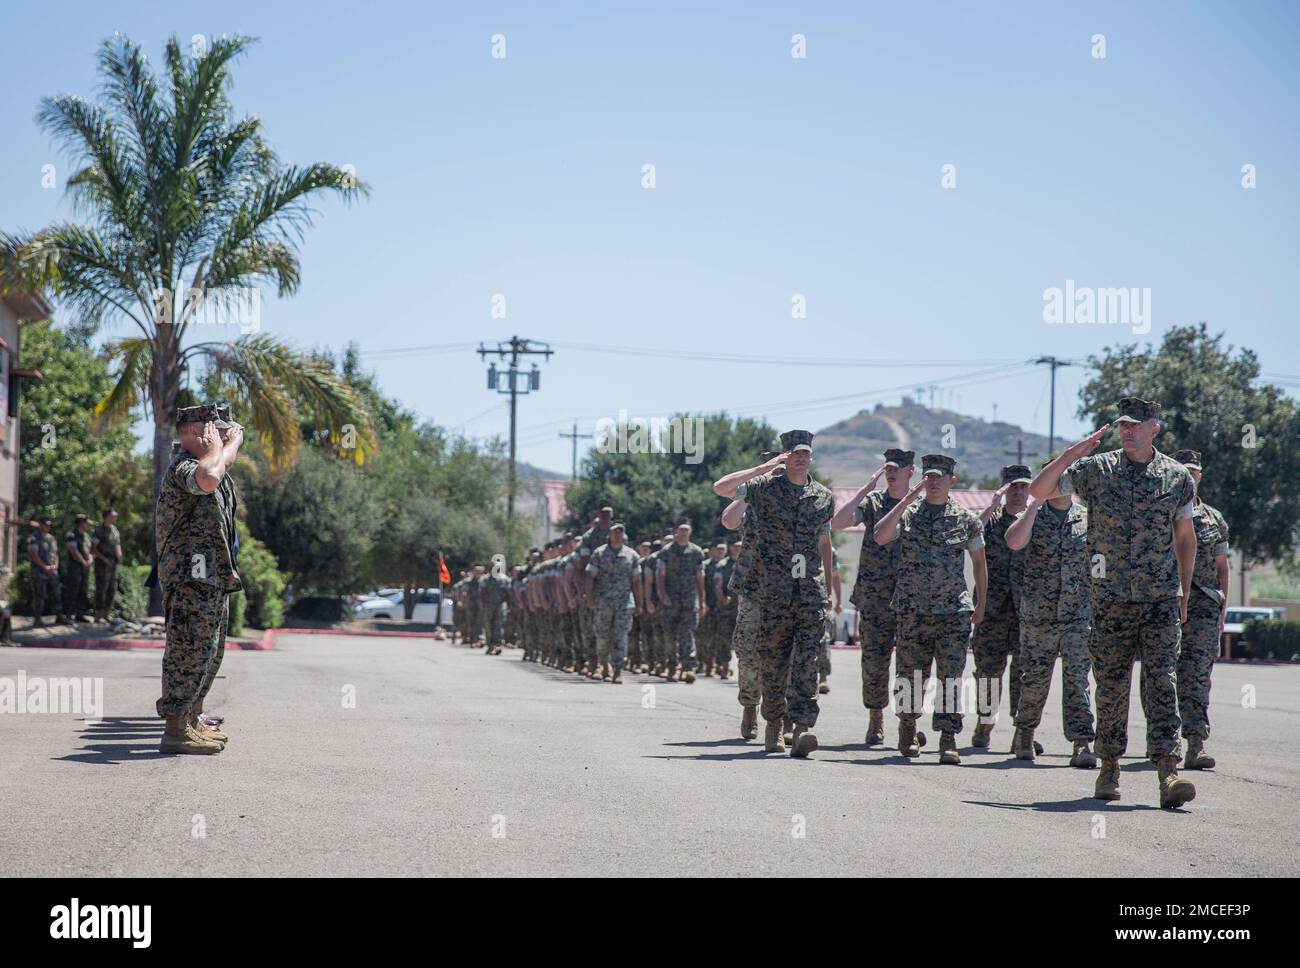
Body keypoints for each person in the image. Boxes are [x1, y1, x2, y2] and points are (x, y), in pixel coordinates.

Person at [1028, 398, 1198, 808]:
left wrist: (1185, 591)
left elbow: (1185, 536)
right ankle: (1109, 767)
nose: (1128, 431)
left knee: (1162, 684)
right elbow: (1038, 490)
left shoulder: (1176, 477)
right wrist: (1074, 452)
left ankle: (1167, 770)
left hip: (1159, 599)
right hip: (1109, 602)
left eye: (1136, 425)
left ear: (1154, 428)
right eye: (1123, 425)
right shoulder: (1096, 470)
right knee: (1111, 688)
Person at [713, 431, 834, 758]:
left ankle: (800, 728)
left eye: (804, 453)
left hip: (808, 591)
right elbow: (725, 502)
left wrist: (830, 589)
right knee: (761, 656)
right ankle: (761, 714)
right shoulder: (763, 490)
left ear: (811, 457)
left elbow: (825, 544)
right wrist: (763, 470)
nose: (797, 459)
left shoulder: (822, 497)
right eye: (791, 453)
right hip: (763, 587)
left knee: (806, 660)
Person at [873, 454, 987, 765]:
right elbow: (880, 535)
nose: (934, 481)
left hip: (952, 612)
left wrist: (982, 602)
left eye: (940, 476)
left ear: (952, 479)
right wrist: (906, 500)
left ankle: (948, 738)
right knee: (910, 675)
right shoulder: (908, 515)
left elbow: (979, 563)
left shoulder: (966, 518)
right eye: (929, 476)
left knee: (951, 676)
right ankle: (908, 727)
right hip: (913, 611)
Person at [152, 403, 244, 755]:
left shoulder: (207, 463)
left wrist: (224, 449)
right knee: (187, 651)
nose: (225, 436)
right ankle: (176, 728)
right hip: (190, 579)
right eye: (217, 431)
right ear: (194, 433)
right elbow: (209, 477)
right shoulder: (184, 468)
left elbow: (218, 471)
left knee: (207, 651)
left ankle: (189, 719)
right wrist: (227, 447)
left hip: (208, 577)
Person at [1004, 462, 1097, 766]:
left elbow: (1101, 563)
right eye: (1055, 479)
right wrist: (1035, 504)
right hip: (1038, 616)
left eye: (1066, 478)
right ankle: (1025, 733)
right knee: (1034, 679)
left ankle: (1082, 742)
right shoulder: (1030, 517)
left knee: (1078, 681)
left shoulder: (1088, 518)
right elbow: (1014, 542)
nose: (1062, 483)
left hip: (1078, 615)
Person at [831, 449, 924, 749]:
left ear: (911, 472)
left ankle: (907, 726)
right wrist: (864, 489)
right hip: (874, 598)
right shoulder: (872, 503)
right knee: (874, 662)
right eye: (887, 469)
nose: (891, 473)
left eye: (897, 469)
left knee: (909, 665)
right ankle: (876, 719)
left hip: (911, 599)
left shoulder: (922, 507)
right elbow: (839, 522)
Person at [1174, 449, 1230, 771]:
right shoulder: (1162, 513)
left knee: (1197, 675)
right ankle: (1162, 743)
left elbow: (1223, 567)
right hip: (1168, 602)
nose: (1190, 476)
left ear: (1200, 476)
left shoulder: (1214, 518)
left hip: (1204, 606)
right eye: (1184, 471)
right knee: (1163, 675)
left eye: (1194, 472)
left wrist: (1223, 607)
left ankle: (1195, 744)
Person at [970, 465, 1030, 750]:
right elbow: (967, 536)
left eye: (1023, 486)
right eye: (1012, 486)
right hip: (991, 608)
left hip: (1026, 609)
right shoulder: (990, 522)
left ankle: (1022, 731)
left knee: (1025, 672)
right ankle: (984, 723)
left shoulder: (1034, 520)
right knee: (987, 671)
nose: (1018, 491)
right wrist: (992, 504)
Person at [586, 523, 643, 683]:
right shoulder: (599, 553)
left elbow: (637, 581)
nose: (617, 535)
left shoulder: (632, 555)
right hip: (603, 601)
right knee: (602, 636)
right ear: (609, 534)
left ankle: (618, 669)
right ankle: (603, 665)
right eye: (614, 532)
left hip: (624, 602)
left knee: (621, 636)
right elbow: (591, 577)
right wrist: (589, 598)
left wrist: (639, 603)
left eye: (620, 533)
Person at [28, 517, 69, 627]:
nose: (48, 527)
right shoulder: (35, 538)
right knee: (39, 595)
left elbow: (55, 554)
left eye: (49, 525)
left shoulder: (51, 538)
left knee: (56, 594)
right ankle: (37, 619)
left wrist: (55, 566)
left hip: (52, 571)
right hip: (39, 572)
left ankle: (59, 616)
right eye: (46, 525)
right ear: (40, 525)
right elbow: (34, 555)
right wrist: (44, 567)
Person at [91, 509, 122, 622]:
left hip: (113, 564)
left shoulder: (114, 529)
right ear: (106, 517)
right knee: (101, 588)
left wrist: (119, 555)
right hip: (102, 564)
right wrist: (104, 559)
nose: (115, 517)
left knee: (112, 588)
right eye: (113, 516)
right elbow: (93, 548)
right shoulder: (99, 530)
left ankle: (106, 613)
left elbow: (118, 544)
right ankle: (98, 613)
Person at [63, 514, 93, 623]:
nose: (88, 525)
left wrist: (89, 560)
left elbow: (90, 550)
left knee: (83, 591)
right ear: (81, 523)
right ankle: (68, 615)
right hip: (75, 567)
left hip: (85, 568)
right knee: (72, 591)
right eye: (86, 523)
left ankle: (80, 614)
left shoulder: (86, 536)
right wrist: (83, 562)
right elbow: (73, 551)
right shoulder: (72, 535)